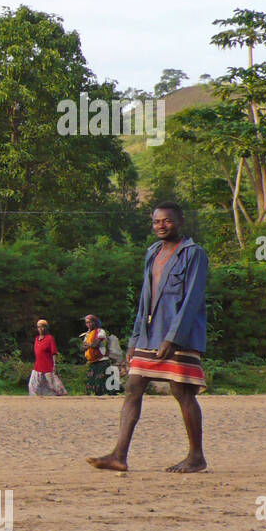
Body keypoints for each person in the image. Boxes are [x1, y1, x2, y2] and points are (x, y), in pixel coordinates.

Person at [88, 202, 208, 473]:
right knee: (133, 387)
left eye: (166, 221)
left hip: (180, 335)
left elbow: (193, 299)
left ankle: (196, 457)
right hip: (149, 334)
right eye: (156, 221)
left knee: (182, 392)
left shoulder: (194, 254)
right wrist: (134, 339)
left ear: (180, 221)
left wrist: (173, 338)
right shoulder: (152, 252)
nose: (161, 226)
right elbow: (145, 299)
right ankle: (119, 455)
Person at [28, 319, 67, 396]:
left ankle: (60, 396)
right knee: (32, 386)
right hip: (38, 366)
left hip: (48, 366)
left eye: (42, 327)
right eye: (38, 327)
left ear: (46, 328)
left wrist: (55, 365)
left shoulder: (49, 338)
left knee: (54, 386)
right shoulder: (37, 339)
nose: (40, 329)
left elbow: (54, 353)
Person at [82, 314, 111, 396]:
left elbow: (96, 344)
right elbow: (84, 346)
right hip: (92, 361)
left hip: (101, 360)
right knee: (91, 381)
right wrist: (88, 345)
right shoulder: (88, 334)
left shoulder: (100, 331)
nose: (88, 325)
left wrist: (89, 345)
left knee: (100, 380)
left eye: (89, 322)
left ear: (94, 322)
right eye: (86, 323)